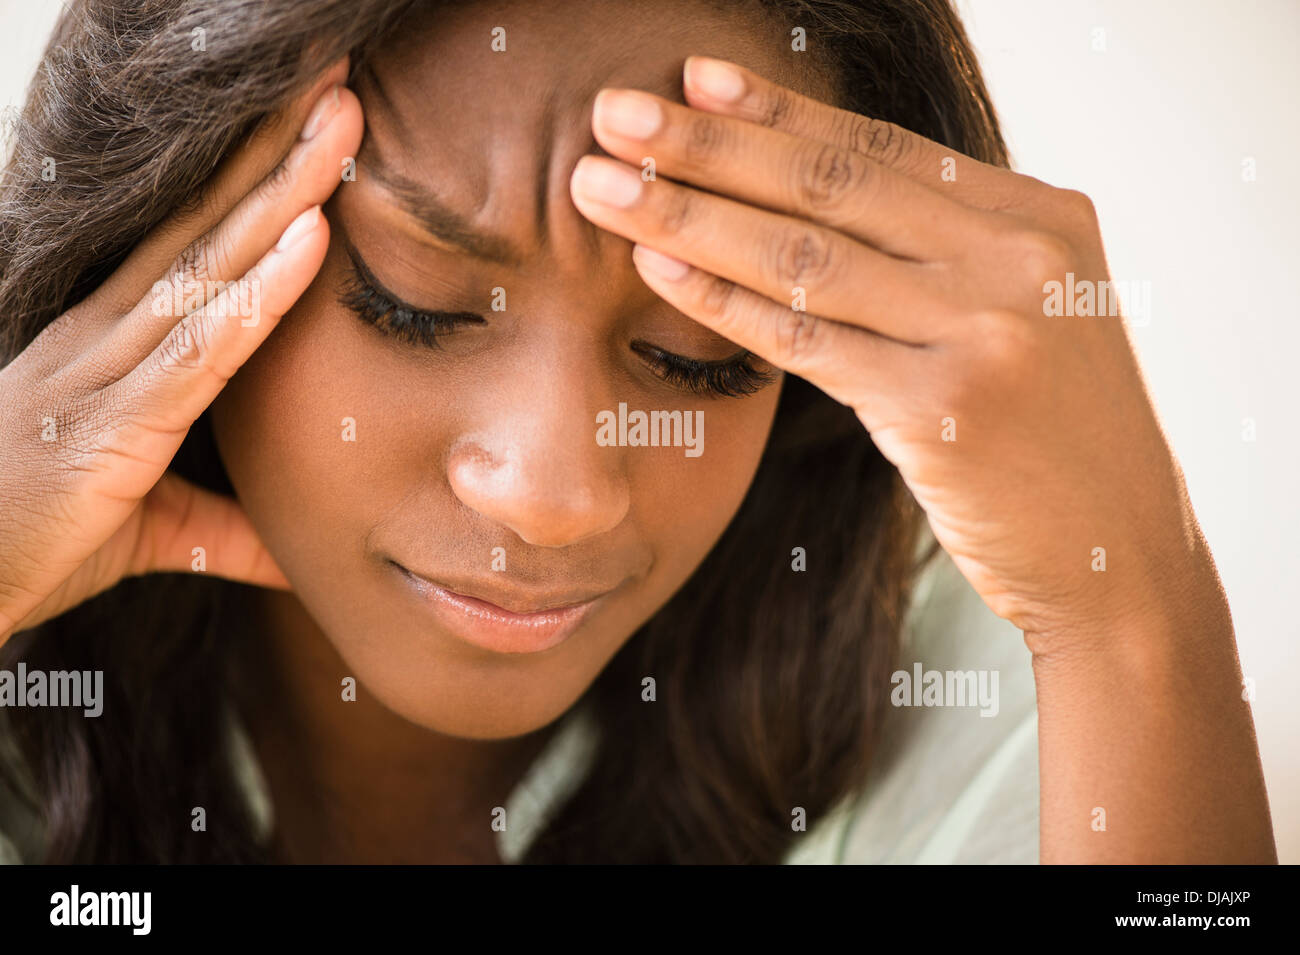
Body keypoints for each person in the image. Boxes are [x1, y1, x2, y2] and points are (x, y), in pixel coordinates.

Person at [0, 0, 1276, 863]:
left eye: (697, 354)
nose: (551, 493)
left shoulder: (995, 728)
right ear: (148, 230)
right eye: (417, 303)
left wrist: (1133, 614)